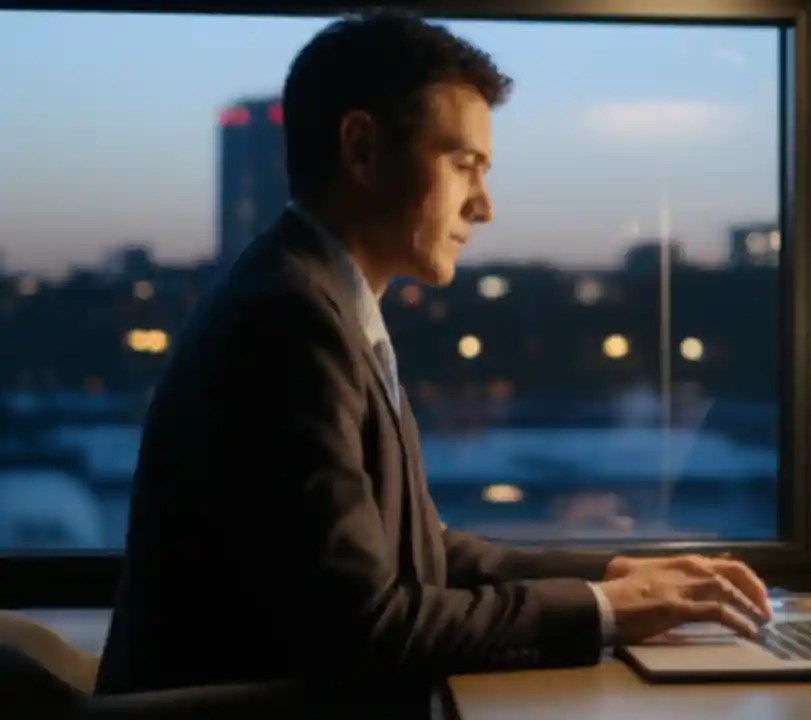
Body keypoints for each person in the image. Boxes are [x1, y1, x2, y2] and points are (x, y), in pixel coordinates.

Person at [95, 10, 772, 705]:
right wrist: (606, 609)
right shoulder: (289, 320)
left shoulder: (312, 296)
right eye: (464, 165)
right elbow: (367, 625)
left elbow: (422, 552)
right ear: (361, 149)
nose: (484, 206)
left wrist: (618, 571)